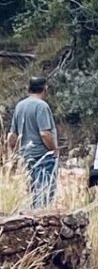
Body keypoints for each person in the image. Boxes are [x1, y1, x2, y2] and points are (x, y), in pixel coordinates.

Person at [10, 74, 58, 207]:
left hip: (27, 156)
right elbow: (44, 133)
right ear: (45, 88)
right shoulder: (41, 106)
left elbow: (12, 136)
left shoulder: (19, 106)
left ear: (29, 89)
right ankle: (41, 222)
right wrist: (54, 150)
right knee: (44, 193)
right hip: (43, 157)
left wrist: (13, 154)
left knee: (32, 192)